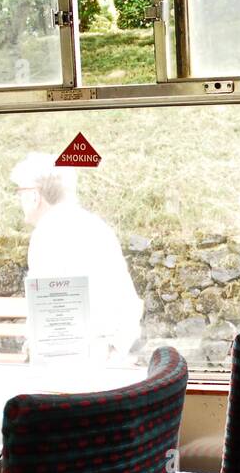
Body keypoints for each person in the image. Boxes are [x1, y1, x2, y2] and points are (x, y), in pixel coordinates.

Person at [10, 152, 143, 362]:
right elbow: (128, 302)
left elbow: (51, 311)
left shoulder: (47, 233)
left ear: (35, 196)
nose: (19, 199)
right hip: (110, 355)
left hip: (75, 362)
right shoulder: (96, 225)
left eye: (20, 192)